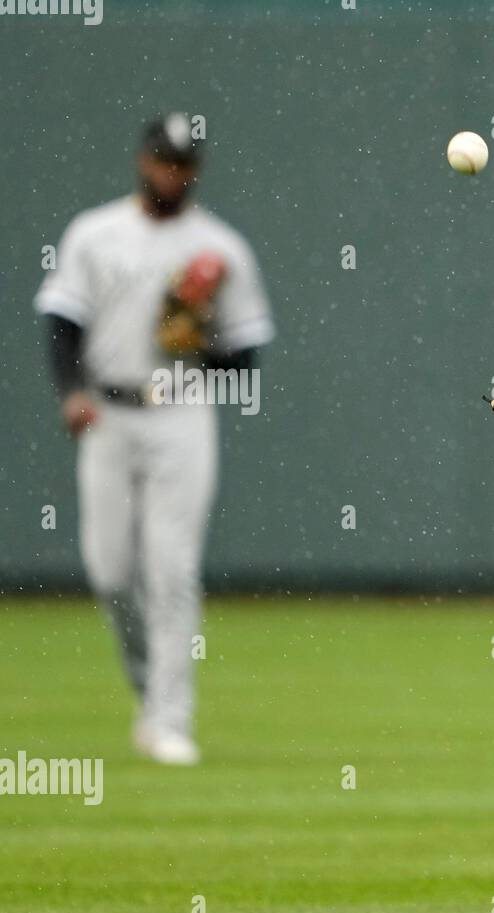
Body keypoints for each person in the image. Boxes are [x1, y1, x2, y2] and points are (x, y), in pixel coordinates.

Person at [34, 113, 275, 765]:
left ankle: (172, 718)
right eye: (165, 160)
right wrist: (72, 394)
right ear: (144, 161)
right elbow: (62, 321)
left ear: (196, 170)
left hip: (183, 413)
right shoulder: (95, 232)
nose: (174, 172)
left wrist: (204, 340)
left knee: (171, 570)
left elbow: (247, 354)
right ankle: (149, 695)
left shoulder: (219, 248)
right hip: (109, 412)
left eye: (185, 163)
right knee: (110, 572)